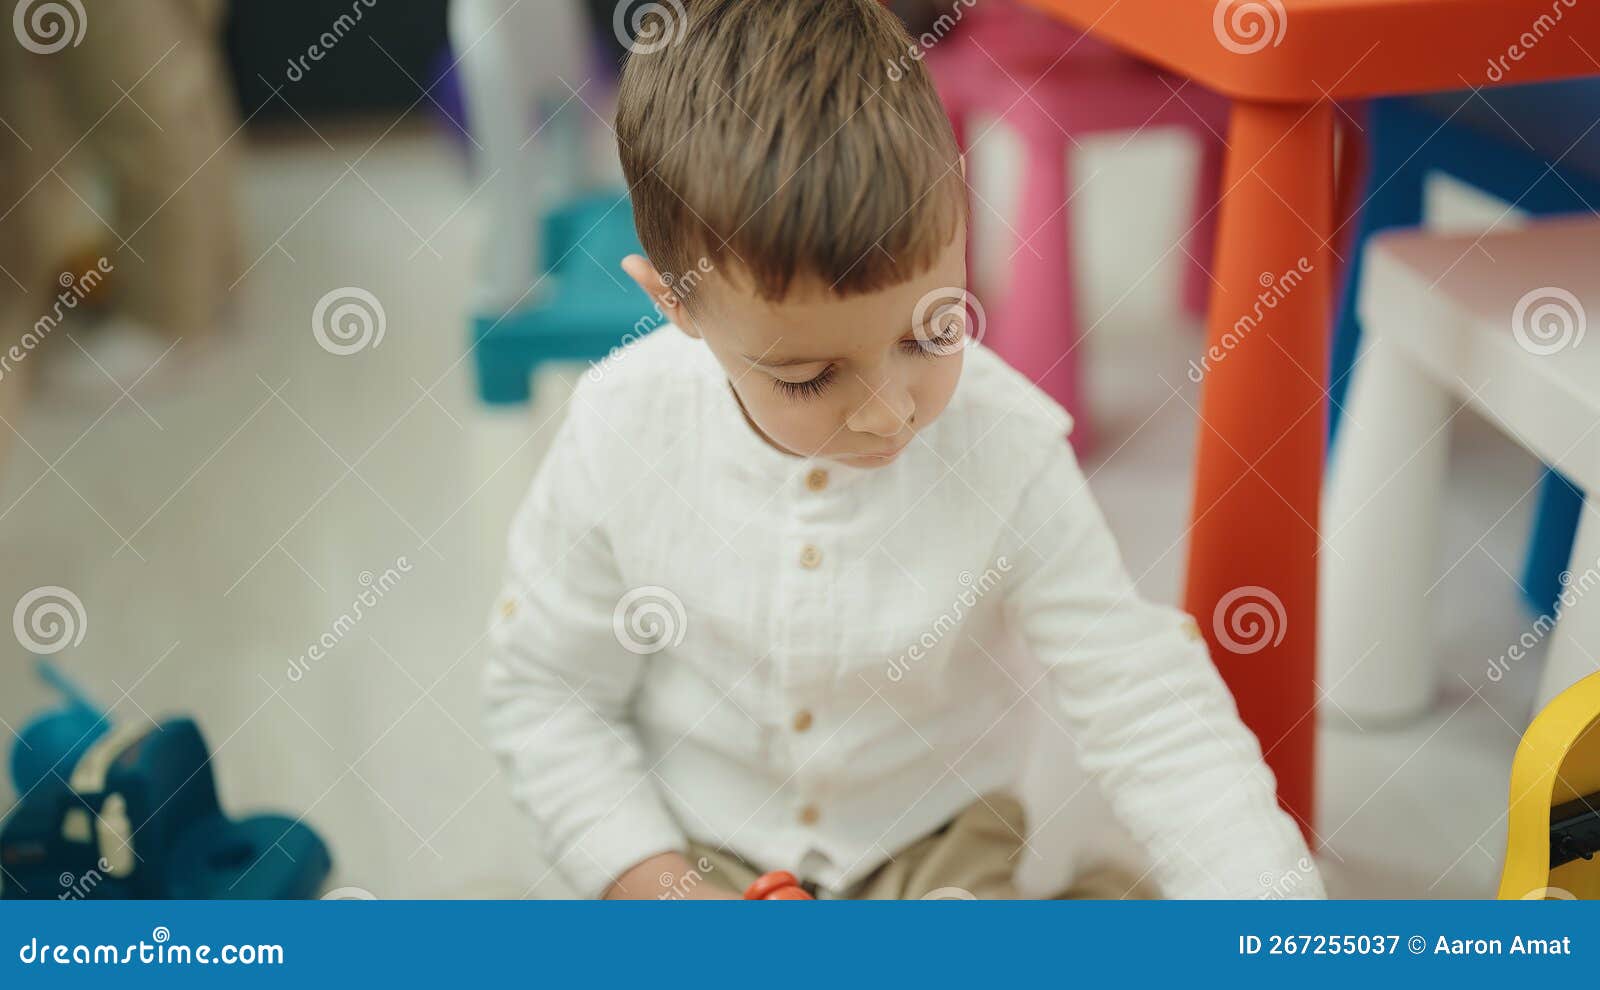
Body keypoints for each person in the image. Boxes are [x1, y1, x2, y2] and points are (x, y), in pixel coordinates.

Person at [485, 0, 1324, 900]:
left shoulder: (1008, 443)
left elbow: (1147, 703)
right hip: (693, 845)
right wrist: (654, 882)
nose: (889, 415)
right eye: (809, 377)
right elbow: (549, 695)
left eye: (932, 333)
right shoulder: (621, 428)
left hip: (937, 847)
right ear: (677, 304)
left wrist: (1272, 910)